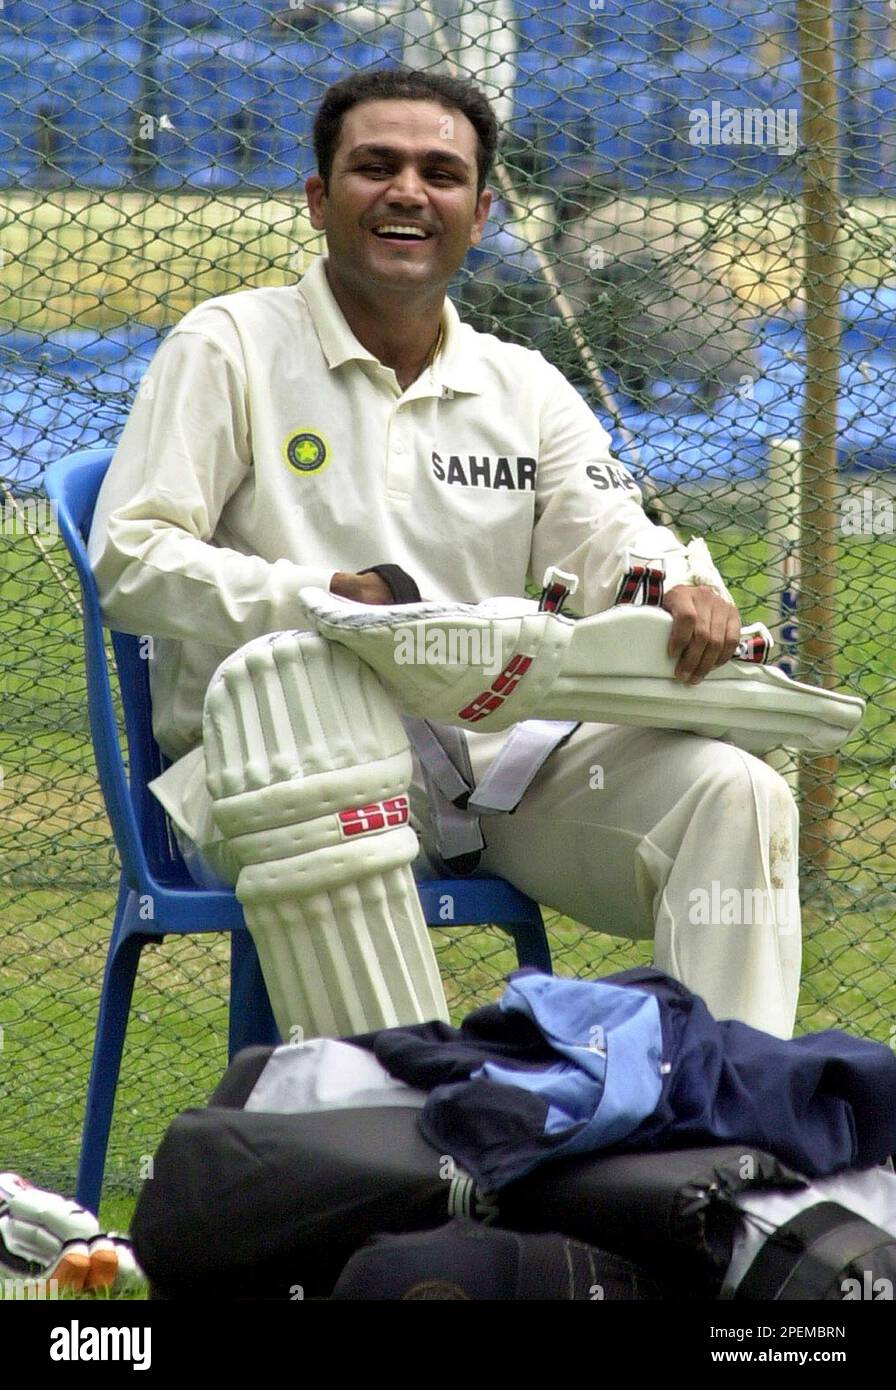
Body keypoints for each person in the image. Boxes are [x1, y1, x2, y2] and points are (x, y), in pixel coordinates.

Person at [88, 67, 801, 1043]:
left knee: (734, 794)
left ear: (480, 212)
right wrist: (321, 598)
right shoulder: (228, 347)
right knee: (334, 759)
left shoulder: (520, 385)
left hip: (485, 766)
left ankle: (724, 1139)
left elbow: (608, 540)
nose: (407, 191)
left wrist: (674, 585)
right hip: (274, 770)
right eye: (373, 166)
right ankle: (392, 1161)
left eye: (440, 172)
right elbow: (129, 557)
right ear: (316, 199)